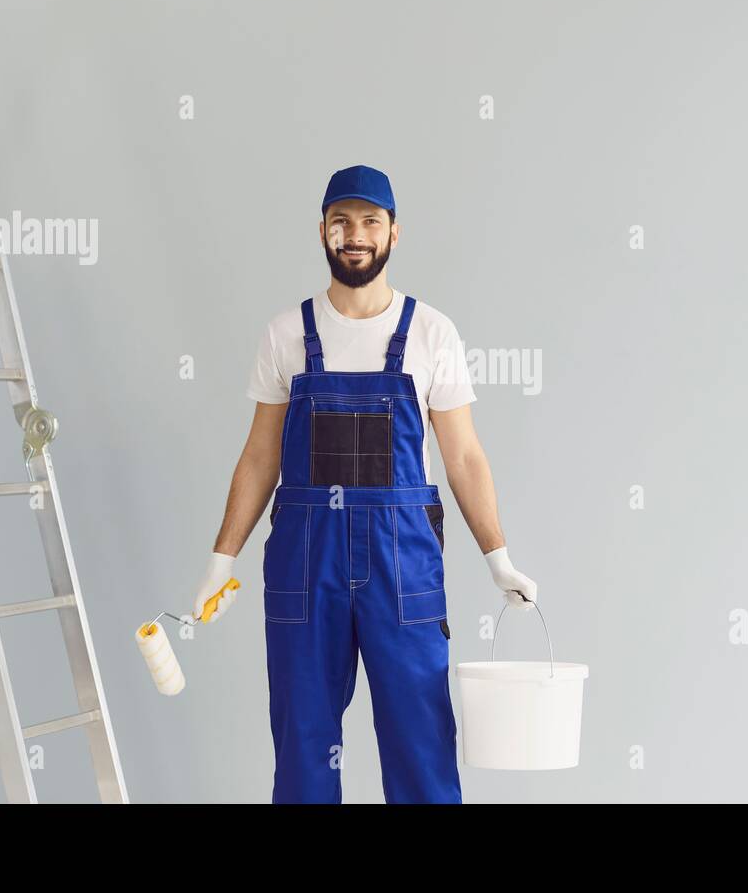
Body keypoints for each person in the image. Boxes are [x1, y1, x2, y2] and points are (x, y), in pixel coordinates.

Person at [192, 164, 537, 803]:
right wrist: (222, 558)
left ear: (394, 234)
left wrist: (499, 556)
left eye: (369, 222)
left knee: (421, 741)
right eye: (342, 222)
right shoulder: (285, 334)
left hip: (402, 566)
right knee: (303, 743)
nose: (355, 235)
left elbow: (463, 456)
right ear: (322, 232)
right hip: (305, 563)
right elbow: (261, 455)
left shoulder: (433, 333)